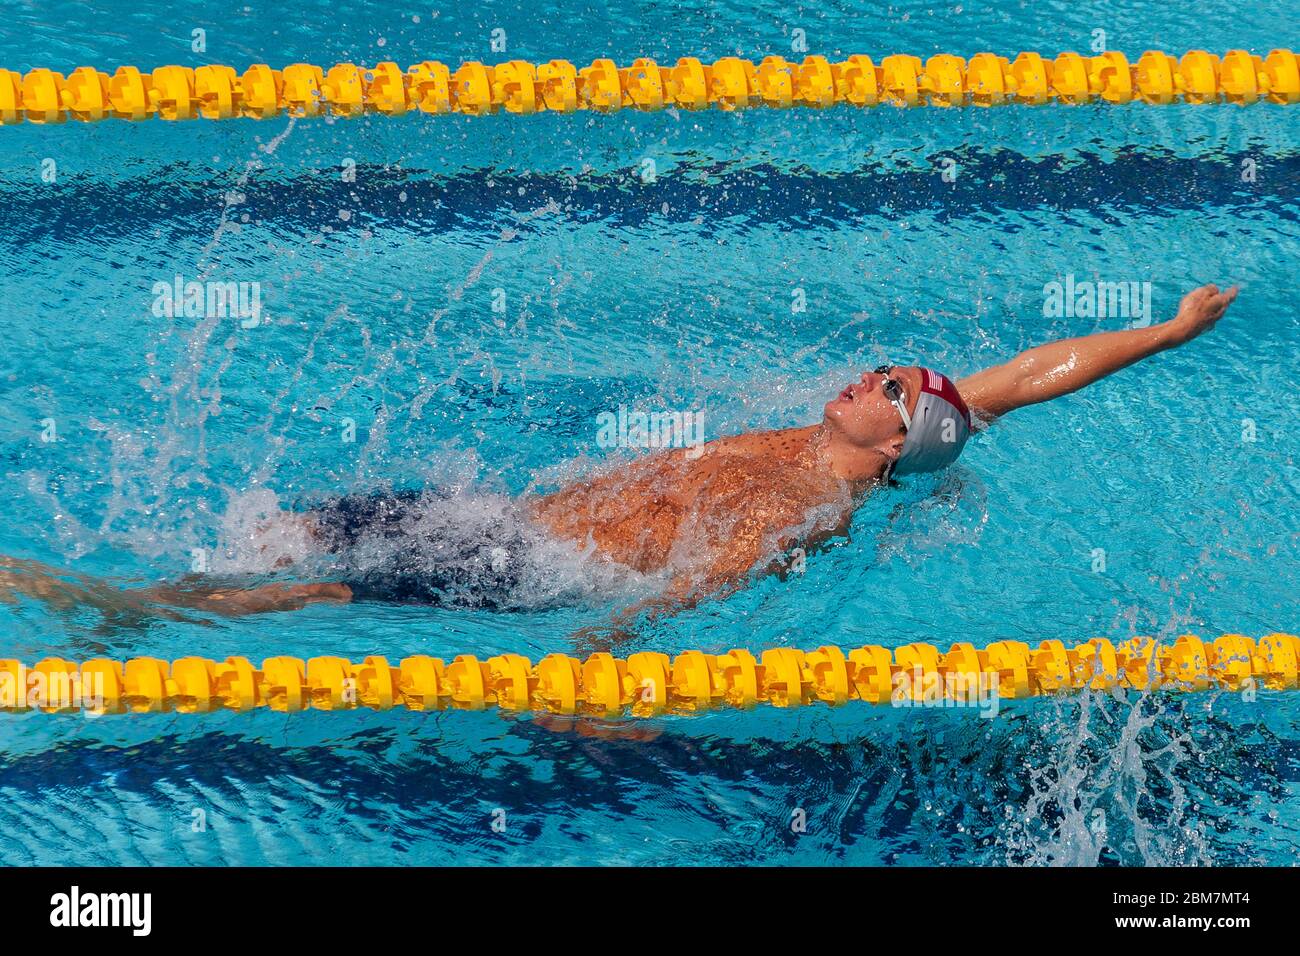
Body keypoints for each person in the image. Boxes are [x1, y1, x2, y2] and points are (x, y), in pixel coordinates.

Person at [1, 284, 1238, 619]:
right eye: (885, 369)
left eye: (886, 386)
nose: (867, 373)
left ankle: (117, 608)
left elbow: (712, 577)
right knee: (303, 524)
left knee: (318, 584)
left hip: (532, 565)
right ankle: (149, 603)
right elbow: (1023, 379)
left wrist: (605, 653)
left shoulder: (817, 503)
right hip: (499, 518)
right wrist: (1170, 331)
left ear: (891, 435)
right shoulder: (847, 436)